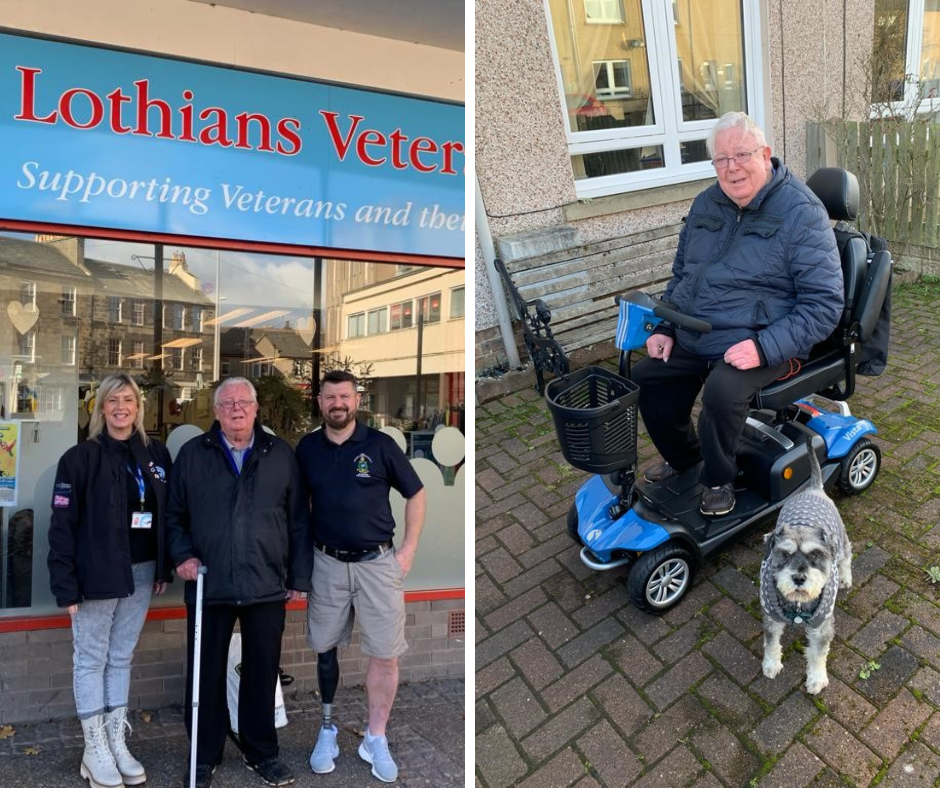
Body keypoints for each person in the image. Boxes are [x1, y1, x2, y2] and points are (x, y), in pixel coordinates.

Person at [633, 111, 844, 516]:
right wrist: (665, 325)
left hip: (765, 337)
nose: (732, 169)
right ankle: (685, 460)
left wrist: (763, 348)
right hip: (698, 329)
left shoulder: (802, 212)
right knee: (647, 378)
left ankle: (719, 478)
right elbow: (685, 275)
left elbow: (823, 305)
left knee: (722, 391)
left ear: (765, 154)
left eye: (741, 155)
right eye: (721, 159)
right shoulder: (707, 202)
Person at [166, 377, 311, 788]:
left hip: (266, 583)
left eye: (243, 401)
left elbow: (298, 519)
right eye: (227, 403)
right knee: (205, 673)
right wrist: (182, 556)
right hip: (210, 584)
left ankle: (261, 752)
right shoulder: (195, 456)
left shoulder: (280, 454)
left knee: (261, 672)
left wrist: (298, 576)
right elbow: (175, 516)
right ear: (215, 411)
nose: (236, 408)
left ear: (256, 407)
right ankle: (203, 754)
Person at [295, 370, 427, 784]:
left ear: (357, 400)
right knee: (325, 648)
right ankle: (328, 729)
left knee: (385, 654)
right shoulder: (307, 449)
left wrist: (407, 552)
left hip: (377, 565)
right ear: (320, 402)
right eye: (330, 397)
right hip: (327, 564)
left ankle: (375, 737)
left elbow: (416, 493)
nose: (338, 403)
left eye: (345, 396)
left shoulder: (381, 445)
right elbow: (298, 510)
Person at [48, 373, 172, 788]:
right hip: (96, 575)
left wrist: (163, 567)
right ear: (101, 408)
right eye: (113, 400)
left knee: (121, 658)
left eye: (129, 400)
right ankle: (93, 748)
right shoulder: (80, 457)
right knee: (90, 659)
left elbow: (168, 513)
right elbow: (61, 524)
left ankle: (116, 741)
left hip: (140, 573)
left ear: (139, 408)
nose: (122, 407)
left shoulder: (155, 453)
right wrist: (65, 584)